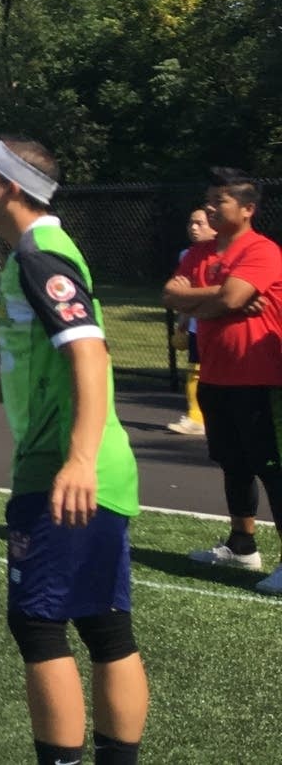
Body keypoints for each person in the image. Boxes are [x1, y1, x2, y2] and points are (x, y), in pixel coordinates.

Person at [0, 138, 146, 765]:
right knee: (104, 625)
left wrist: (78, 459)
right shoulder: (35, 255)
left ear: (8, 186)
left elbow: (89, 353)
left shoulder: (39, 255)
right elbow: (53, 361)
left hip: (65, 468)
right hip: (87, 465)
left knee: (39, 624)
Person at [161, 167, 282, 592]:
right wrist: (221, 298)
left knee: (272, 469)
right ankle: (242, 545)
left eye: (220, 201)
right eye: (208, 199)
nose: (210, 207)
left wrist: (206, 299)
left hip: (260, 379)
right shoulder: (200, 253)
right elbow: (171, 295)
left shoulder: (262, 250)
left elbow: (230, 297)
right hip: (215, 377)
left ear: (247, 209)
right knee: (233, 464)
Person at [165, 206, 215, 436]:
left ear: (214, 227)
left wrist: (192, 297)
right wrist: (183, 320)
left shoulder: (227, 255)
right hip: (197, 324)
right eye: (190, 223)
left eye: (200, 223)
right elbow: (176, 292)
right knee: (195, 368)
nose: (193, 228)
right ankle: (196, 417)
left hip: (217, 324)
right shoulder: (187, 255)